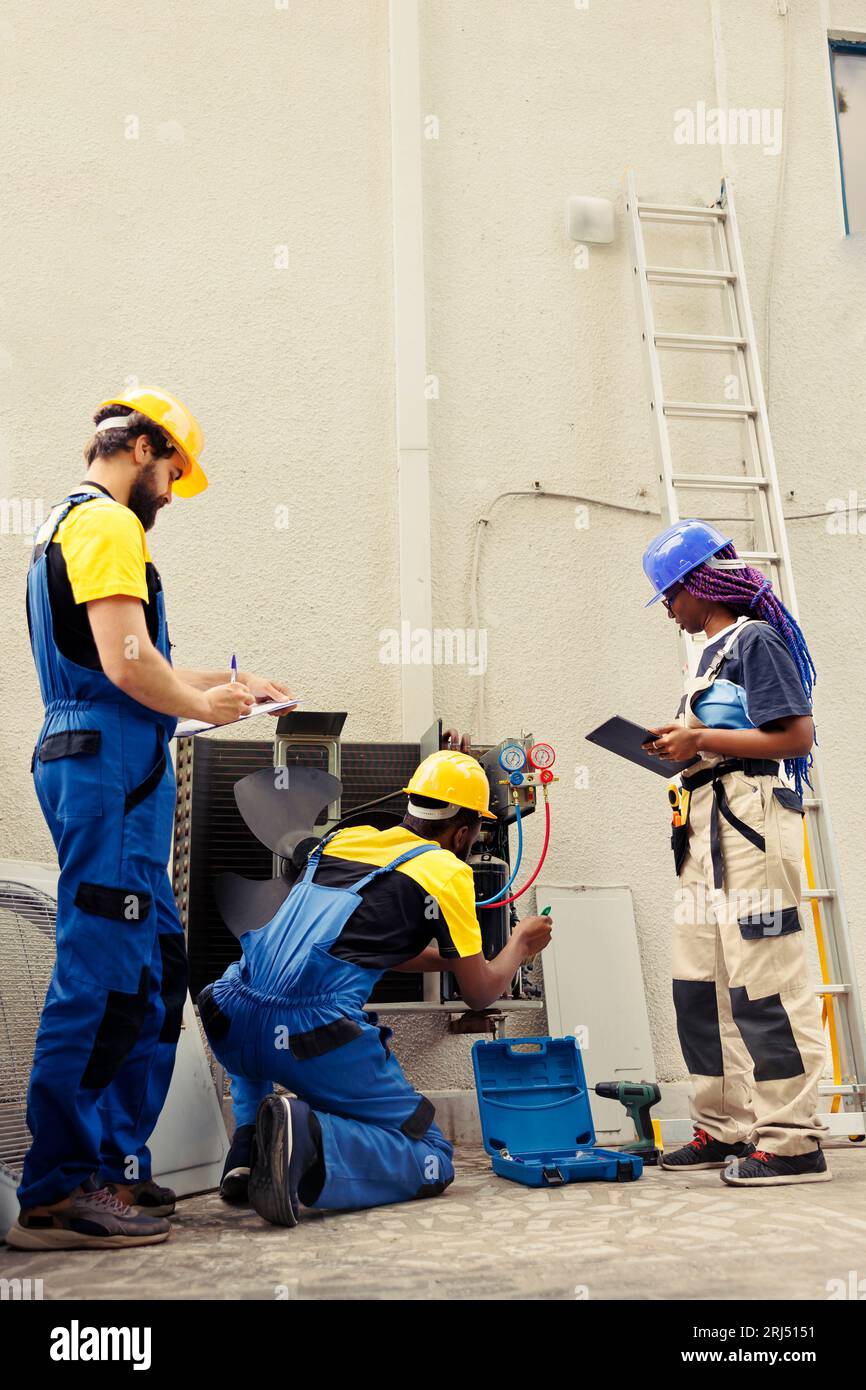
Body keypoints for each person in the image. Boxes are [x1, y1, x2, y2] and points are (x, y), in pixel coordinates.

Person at [9, 387, 292, 1251]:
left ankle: (109, 1168)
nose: (171, 493)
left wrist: (228, 686)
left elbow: (135, 660)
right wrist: (211, 707)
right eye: (172, 471)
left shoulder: (78, 527)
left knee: (153, 971)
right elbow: (131, 670)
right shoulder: (106, 526)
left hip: (115, 762)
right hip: (107, 768)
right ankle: (58, 1191)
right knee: (105, 975)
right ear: (140, 447)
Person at [199, 749, 553, 1224]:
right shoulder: (447, 872)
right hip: (311, 1038)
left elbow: (367, 943)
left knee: (262, 1005)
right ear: (465, 832)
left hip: (228, 1012)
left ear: (411, 807)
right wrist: (518, 946)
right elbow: (480, 994)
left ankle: (246, 1150)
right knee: (430, 1153)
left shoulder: (347, 838)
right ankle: (306, 1138)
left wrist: (456, 960)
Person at [642, 518, 829, 1187]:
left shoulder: (756, 641)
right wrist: (683, 745)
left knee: (765, 979)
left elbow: (796, 737)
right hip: (703, 823)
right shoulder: (709, 654)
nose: (667, 608)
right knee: (698, 984)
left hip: (750, 821)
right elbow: (722, 736)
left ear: (699, 584)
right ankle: (724, 1126)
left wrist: (698, 742)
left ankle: (791, 1139)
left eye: (669, 594)